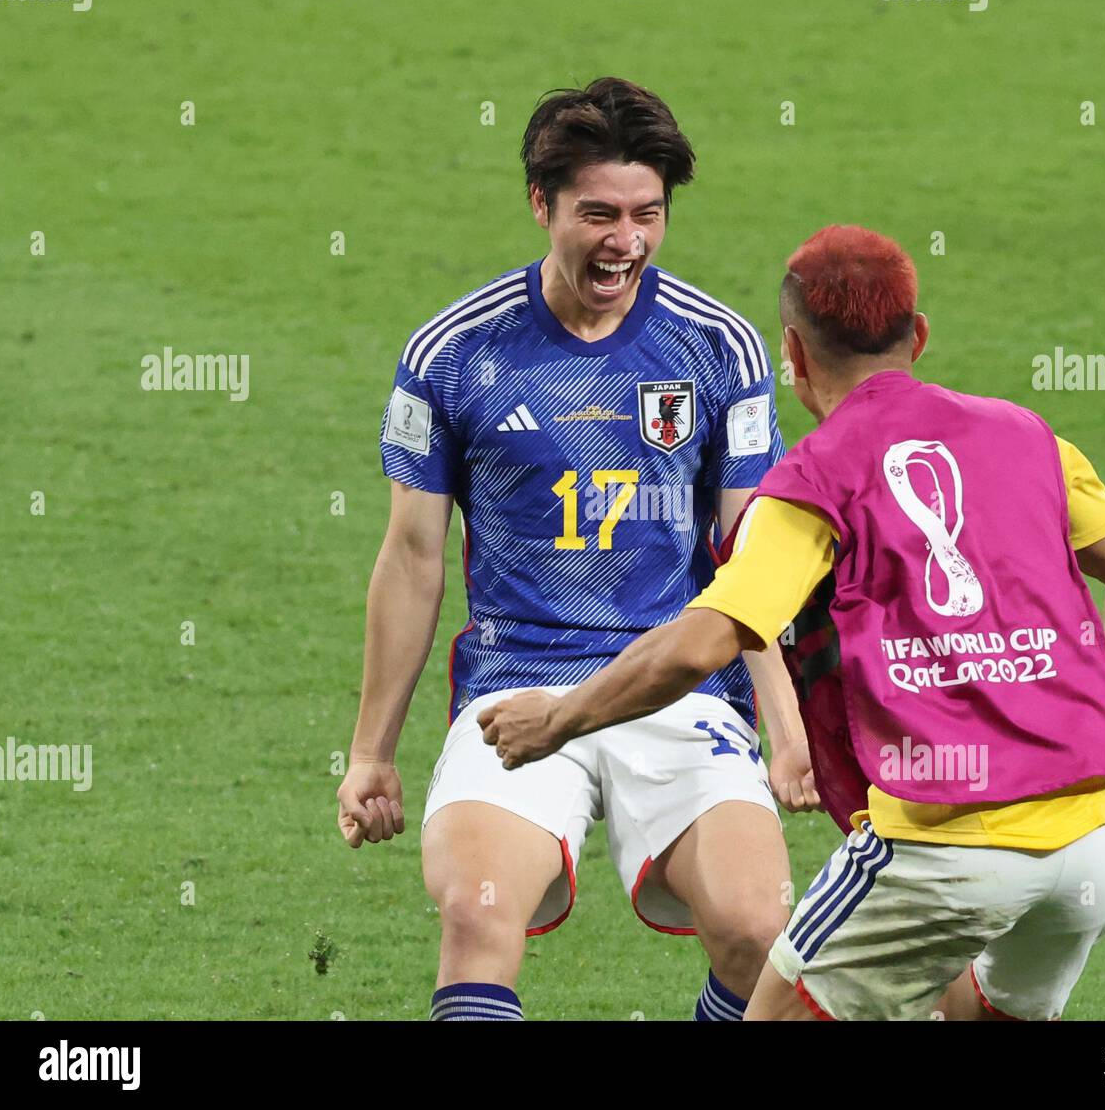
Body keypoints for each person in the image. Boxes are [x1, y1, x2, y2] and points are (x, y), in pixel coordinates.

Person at [479, 224, 1105, 1021]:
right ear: (917, 336)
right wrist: (1048, 701)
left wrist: (562, 716)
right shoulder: (1032, 438)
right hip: (1099, 837)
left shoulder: (810, 480)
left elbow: (708, 639)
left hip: (943, 845)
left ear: (795, 355)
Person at [336, 77, 818, 1023]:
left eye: (647, 214)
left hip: (676, 685)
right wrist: (371, 754)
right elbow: (411, 558)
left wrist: (789, 731)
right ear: (540, 205)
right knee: (478, 920)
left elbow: (749, 553)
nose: (625, 240)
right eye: (598, 214)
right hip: (516, 689)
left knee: (759, 932)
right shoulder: (453, 354)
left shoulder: (719, 348)